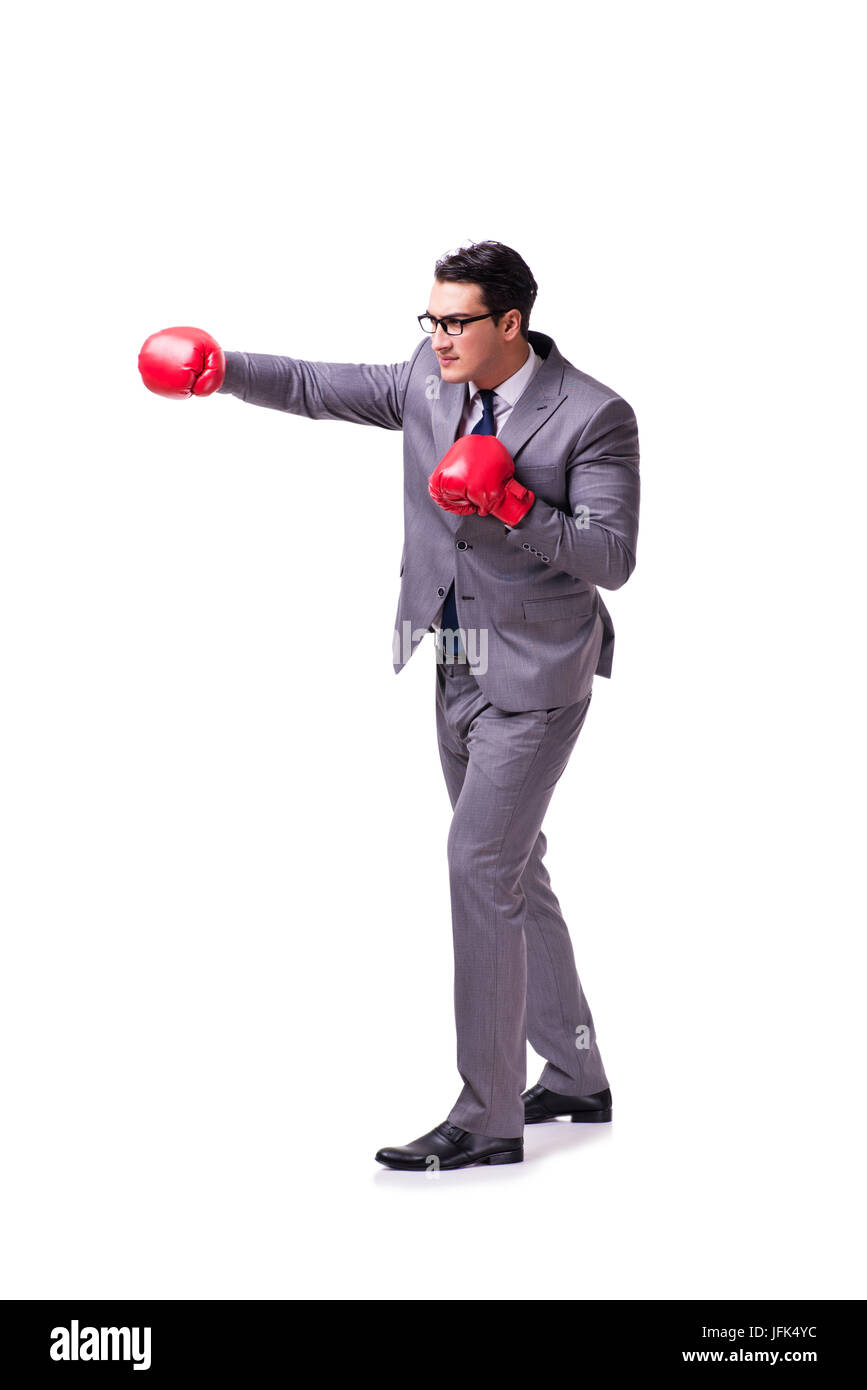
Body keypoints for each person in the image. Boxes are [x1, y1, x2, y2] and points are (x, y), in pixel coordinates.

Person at [137, 239, 640, 1172]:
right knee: (513, 868)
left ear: (508, 324)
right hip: (453, 657)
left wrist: (513, 507)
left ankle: (489, 1115)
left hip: (535, 676)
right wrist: (221, 371)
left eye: (455, 321)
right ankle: (574, 1072)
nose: (437, 336)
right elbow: (318, 383)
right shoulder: (425, 379)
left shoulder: (593, 415)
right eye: (431, 319)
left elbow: (611, 557)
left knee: (478, 863)